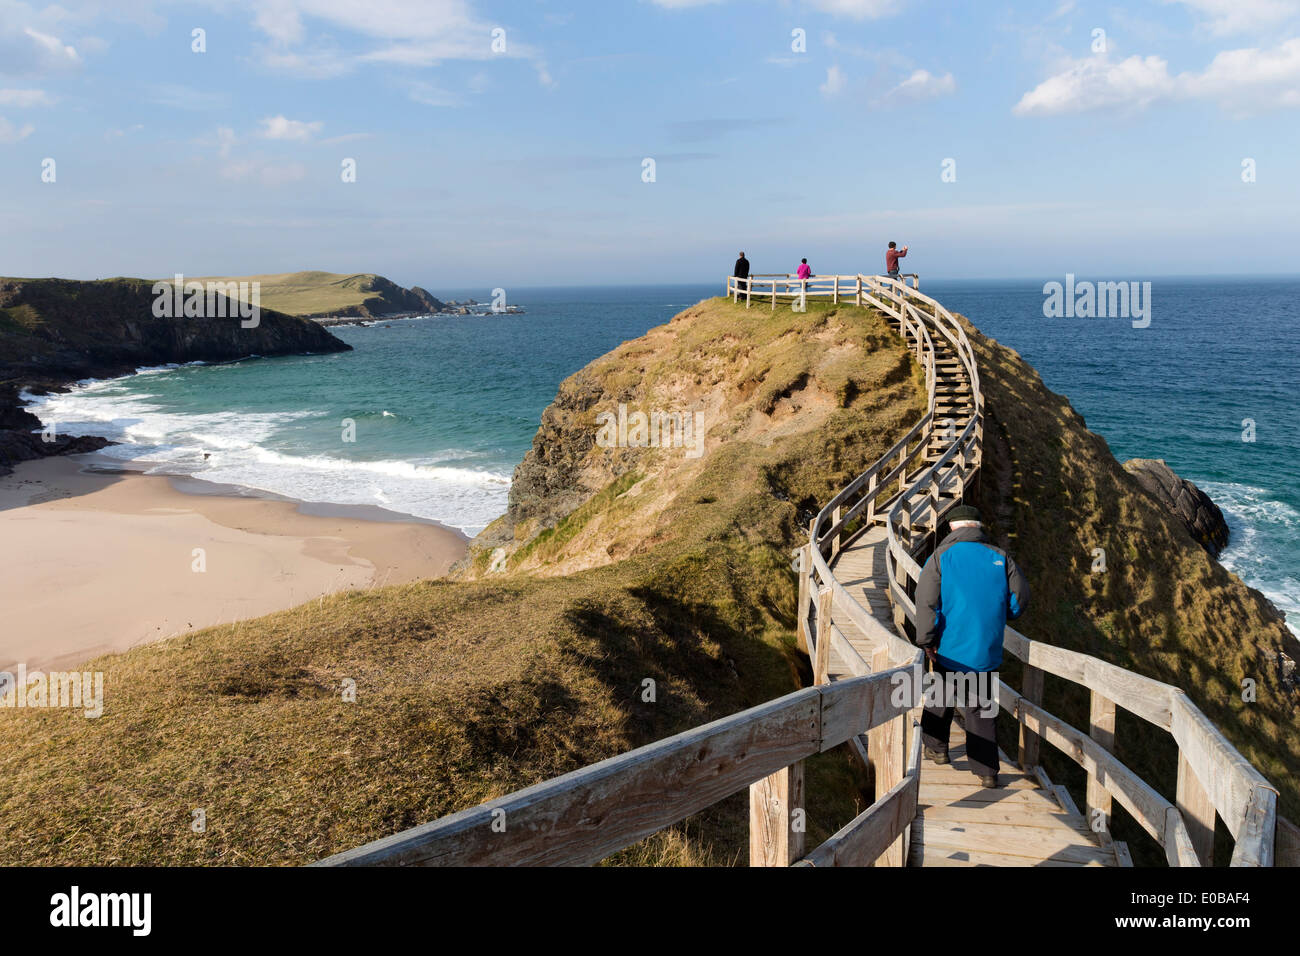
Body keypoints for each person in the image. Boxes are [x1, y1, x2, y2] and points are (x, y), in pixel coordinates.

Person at [914, 504, 1029, 788]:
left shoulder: (941, 557)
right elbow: (1021, 596)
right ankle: (987, 771)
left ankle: (937, 749)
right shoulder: (1001, 557)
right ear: (977, 527)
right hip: (986, 648)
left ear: (952, 527)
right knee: (981, 707)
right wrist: (1004, 615)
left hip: (949, 646)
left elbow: (926, 601)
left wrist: (926, 641)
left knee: (941, 696)